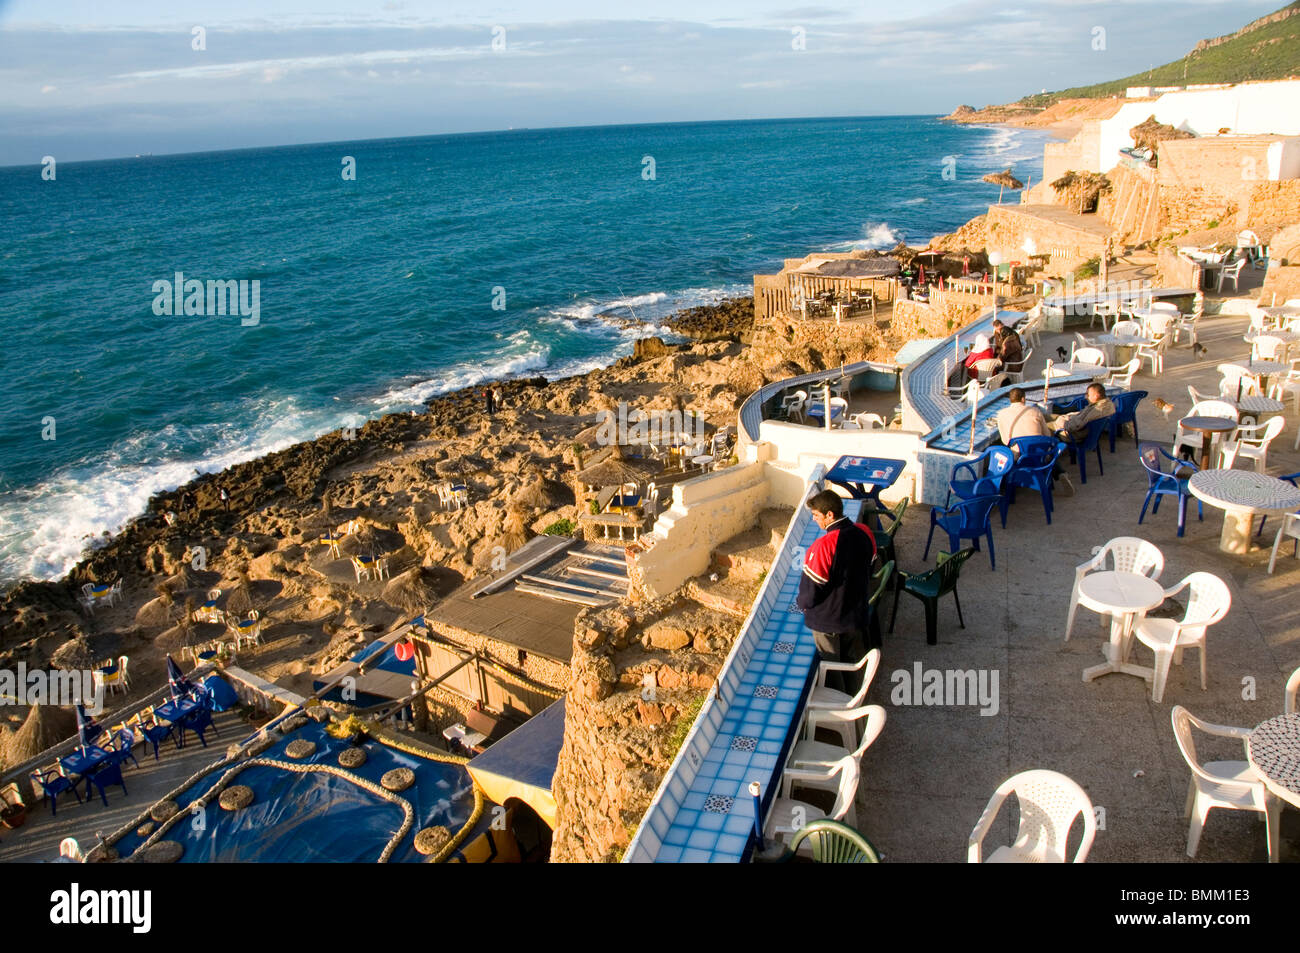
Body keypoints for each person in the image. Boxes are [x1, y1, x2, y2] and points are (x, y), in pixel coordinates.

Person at [796, 490, 878, 689]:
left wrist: (803, 605)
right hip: (855, 614)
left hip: (829, 620)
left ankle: (840, 709)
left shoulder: (823, 546)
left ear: (829, 515)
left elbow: (810, 592)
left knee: (831, 665)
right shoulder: (864, 533)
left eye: (816, 515)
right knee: (850, 660)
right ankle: (854, 695)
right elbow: (871, 566)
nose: (815, 520)